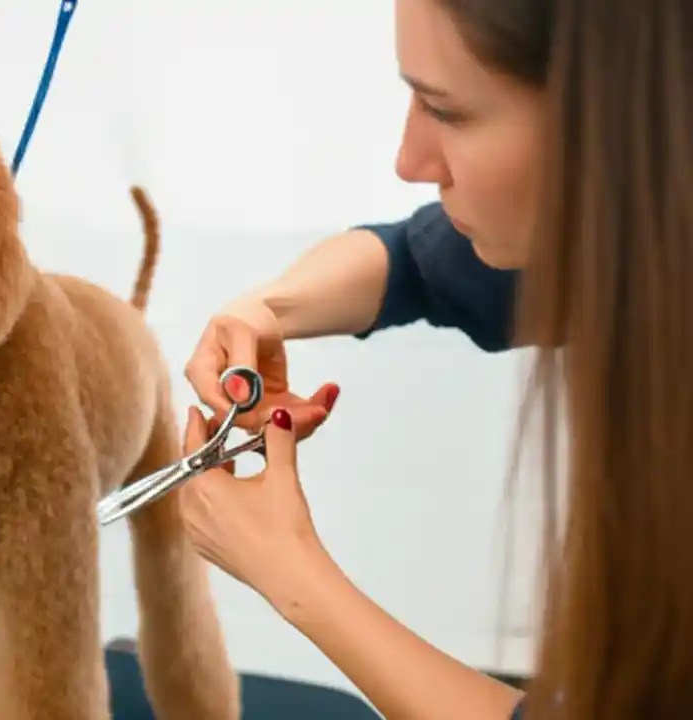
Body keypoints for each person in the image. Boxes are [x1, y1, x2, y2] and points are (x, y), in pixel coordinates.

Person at [178, 0, 693, 718]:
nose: (409, 161)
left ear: (614, 119)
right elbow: (412, 266)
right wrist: (267, 310)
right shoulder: (644, 242)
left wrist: (291, 574)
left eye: (445, 111)